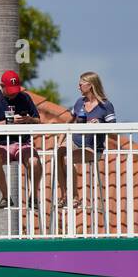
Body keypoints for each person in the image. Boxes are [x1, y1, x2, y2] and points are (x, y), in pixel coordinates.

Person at [0, 70, 43, 209]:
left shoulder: (25, 97)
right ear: (1, 86)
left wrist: (29, 119)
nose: (14, 93)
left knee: (34, 161)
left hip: (23, 143)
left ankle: (34, 196)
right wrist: (8, 122)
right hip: (1, 144)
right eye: (10, 90)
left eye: (16, 89)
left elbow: (38, 120)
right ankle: (5, 196)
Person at [54, 71, 116, 209]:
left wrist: (99, 126)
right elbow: (69, 122)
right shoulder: (79, 102)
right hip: (76, 142)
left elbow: (113, 130)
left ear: (91, 85)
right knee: (58, 154)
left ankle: (74, 197)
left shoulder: (105, 105)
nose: (78, 87)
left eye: (81, 84)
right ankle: (64, 195)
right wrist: (60, 140)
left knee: (66, 158)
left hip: (92, 147)